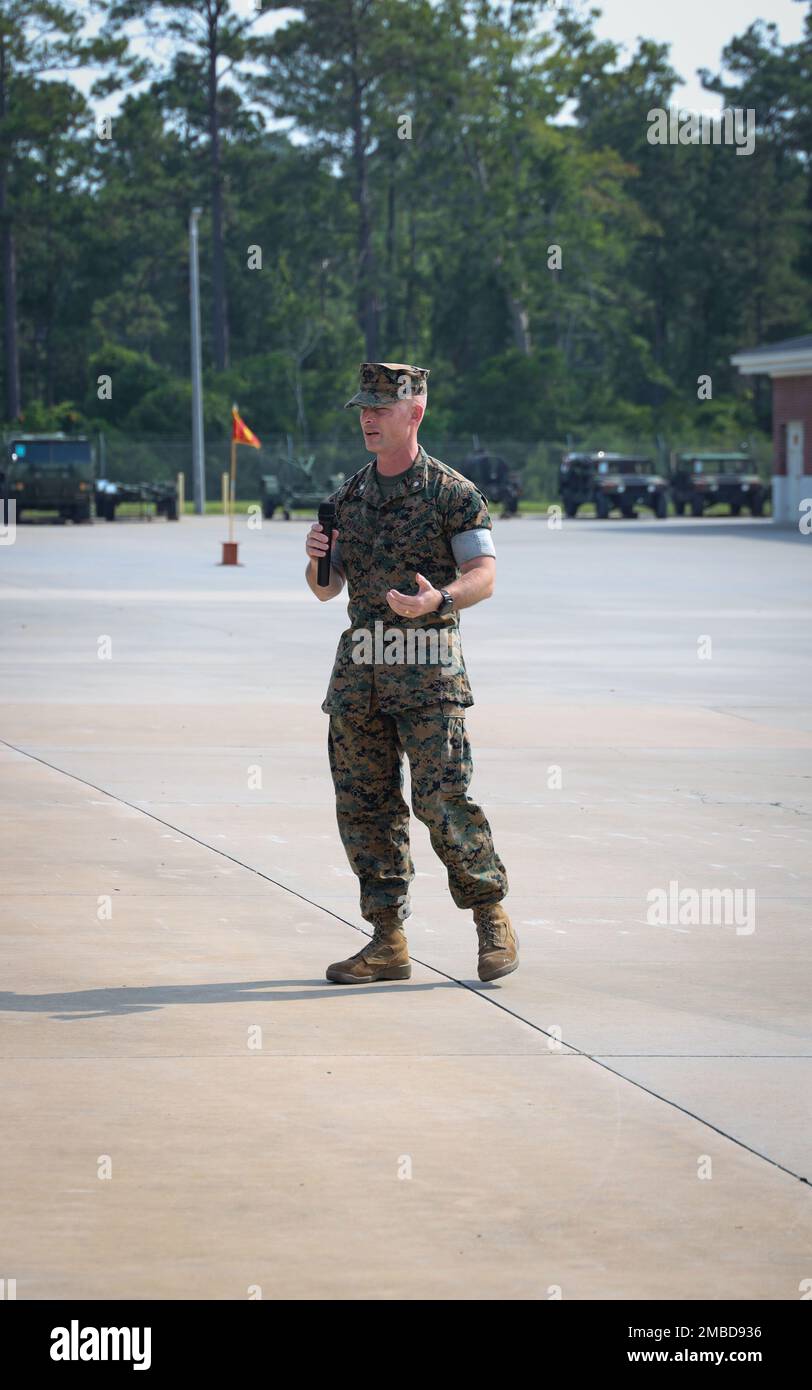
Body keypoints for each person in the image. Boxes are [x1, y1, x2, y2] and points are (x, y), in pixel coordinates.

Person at [305, 361, 517, 985]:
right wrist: (318, 560)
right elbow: (325, 591)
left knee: (440, 799)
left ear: (414, 412)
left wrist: (438, 600)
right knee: (365, 806)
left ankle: (490, 915)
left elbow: (485, 576)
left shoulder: (453, 493)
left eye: (380, 408)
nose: (368, 418)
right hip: (361, 673)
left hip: (427, 671)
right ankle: (387, 938)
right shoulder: (349, 496)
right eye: (363, 409)